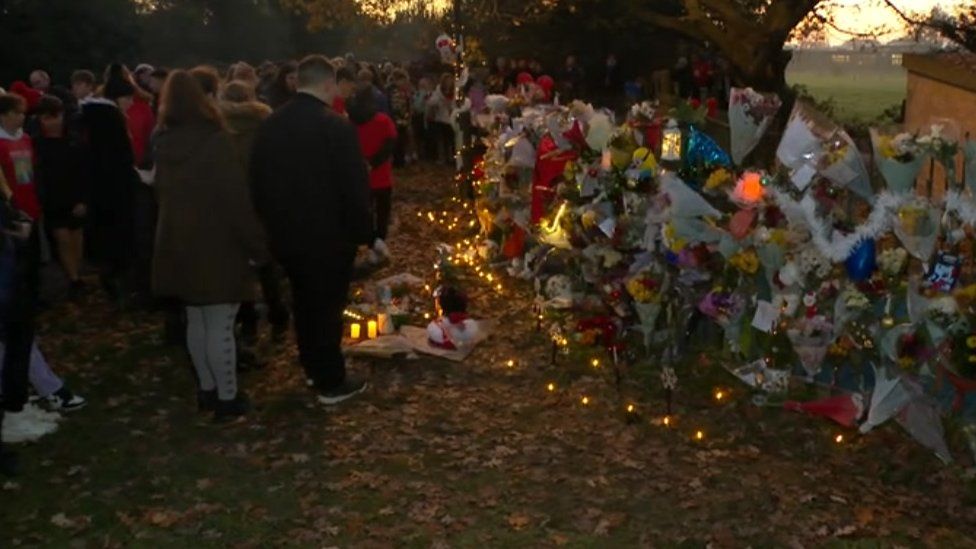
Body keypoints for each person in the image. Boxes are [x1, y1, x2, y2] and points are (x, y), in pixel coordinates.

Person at [250, 55, 371, 405]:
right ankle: (329, 379)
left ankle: (312, 365)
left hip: (286, 234)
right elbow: (353, 186)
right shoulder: (335, 127)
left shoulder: (271, 125)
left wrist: (270, 224)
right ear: (328, 85)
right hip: (328, 235)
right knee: (327, 307)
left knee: (304, 303)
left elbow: (257, 181)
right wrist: (365, 232)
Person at [152, 71, 267, 421]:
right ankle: (228, 396)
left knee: (197, 321)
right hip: (217, 242)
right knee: (220, 323)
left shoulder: (163, 142)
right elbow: (235, 198)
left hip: (179, 241)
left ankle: (206, 387)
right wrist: (257, 245)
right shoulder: (216, 142)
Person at [220, 81, 291, 350]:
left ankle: (247, 320)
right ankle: (278, 315)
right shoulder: (266, 124)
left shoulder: (219, 129)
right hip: (264, 200)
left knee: (240, 265)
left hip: (234, 201)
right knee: (266, 262)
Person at [0, 93, 51, 444]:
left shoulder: (26, 141)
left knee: (20, 327)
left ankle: (17, 404)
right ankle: (12, 412)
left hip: (17, 236)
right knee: (13, 333)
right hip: (5, 253)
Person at [74, 69, 139, 305]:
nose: (131, 103)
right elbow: (119, 158)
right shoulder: (111, 120)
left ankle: (112, 280)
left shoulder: (92, 117)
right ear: (118, 97)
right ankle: (119, 286)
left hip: (99, 190)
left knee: (106, 242)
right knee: (119, 241)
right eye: (128, 98)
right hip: (114, 191)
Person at [33, 95, 89, 297]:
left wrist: (83, 198)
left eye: (56, 117)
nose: (53, 122)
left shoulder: (73, 141)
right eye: (47, 118)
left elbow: (83, 171)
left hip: (74, 195)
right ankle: (73, 277)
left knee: (76, 237)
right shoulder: (37, 145)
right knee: (62, 237)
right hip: (53, 198)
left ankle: (77, 272)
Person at [348, 83, 396, 265]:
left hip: (359, 177)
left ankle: (370, 243)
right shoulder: (383, 120)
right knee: (382, 213)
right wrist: (374, 162)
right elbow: (390, 144)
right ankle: (380, 241)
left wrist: (362, 163)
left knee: (365, 212)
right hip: (381, 176)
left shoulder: (348, 122)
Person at [426, 73, 456, 166]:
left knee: (450, 140)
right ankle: (442, 158)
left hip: (451, 119)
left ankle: (451, 157)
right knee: (441, 141)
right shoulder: (438, 92)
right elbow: (431, 102)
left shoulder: (454, 92)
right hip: (440, 119)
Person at [386, 69, 412, 167]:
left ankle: (400, 159)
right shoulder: (395, 92)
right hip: (398, 121)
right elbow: (397, 107)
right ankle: (399, 161)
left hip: (400, 120)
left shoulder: (400, 91)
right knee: (399, 141)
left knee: (401, 141)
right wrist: (405, 116)